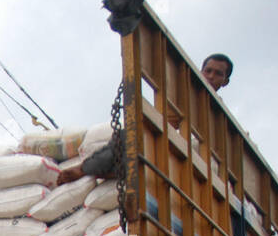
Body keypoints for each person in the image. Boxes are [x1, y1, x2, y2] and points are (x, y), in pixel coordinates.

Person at [57, 52, 233, 186]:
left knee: (144, 153)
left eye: (218, 74)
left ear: (225, 82)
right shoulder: (181, 97)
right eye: (208, 71)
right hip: (159, 140)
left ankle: (93, 170)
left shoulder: (219, 117)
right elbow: (162, 121)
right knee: (128, 137)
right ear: (200, 72)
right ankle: (91, 169)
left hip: (175, 154)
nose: (210, 76)